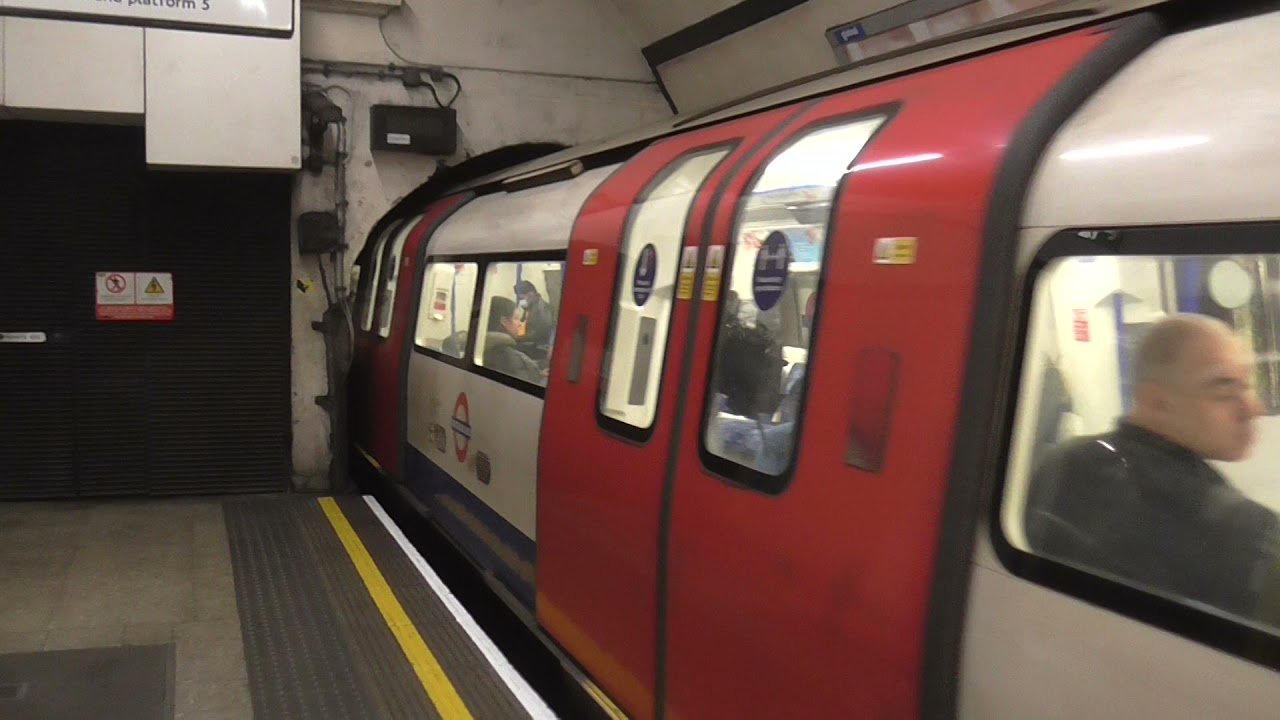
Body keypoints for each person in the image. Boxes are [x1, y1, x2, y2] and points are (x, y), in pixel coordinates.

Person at [1025, 313, 1280, 619]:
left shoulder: (1062, 463)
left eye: (1246, 385)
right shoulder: (1245, 535)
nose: (1253, 408)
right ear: (1157, 403)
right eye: (1224, 386)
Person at [483, 296, 546, 385]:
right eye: (516, 318)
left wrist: (538, 373)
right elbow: (526, 389)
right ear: (504, 321)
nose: (520, 324)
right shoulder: (507, 356)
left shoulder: (485, 346)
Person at [516, 280, 556, 348]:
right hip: (534, 346)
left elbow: (541, 333)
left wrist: (517, 338)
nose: (521, 301)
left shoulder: (542, 309)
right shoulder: (531, 307)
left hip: (541, 348)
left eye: (522, 298)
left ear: (531, 295)